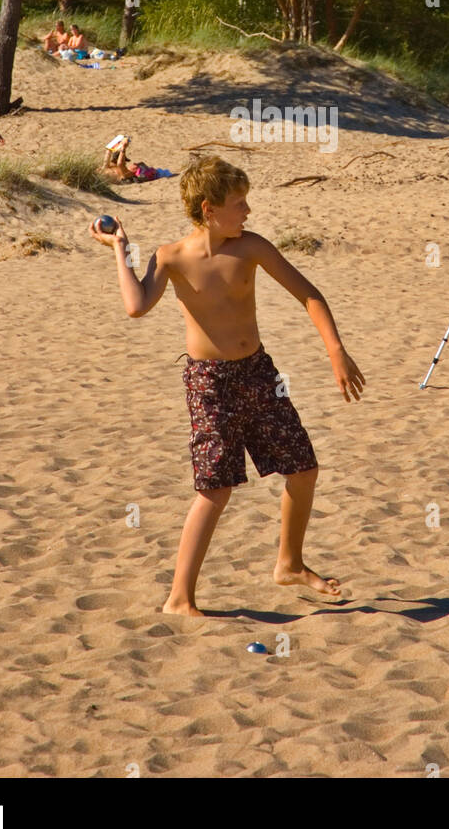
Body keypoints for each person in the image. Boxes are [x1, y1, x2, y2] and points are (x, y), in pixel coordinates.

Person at [89, 153, 364, 617]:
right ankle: (180, 598)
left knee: (302, 467)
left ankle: (290, 564)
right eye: (239, 204)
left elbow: (309, 294)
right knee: (215, 488)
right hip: (209, 383)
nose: (248, 212)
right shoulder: (171, 257)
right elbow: (136, 305)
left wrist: (335, 349)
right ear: (208, 210)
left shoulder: (252, 247)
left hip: (257, 372)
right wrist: (120, 249)